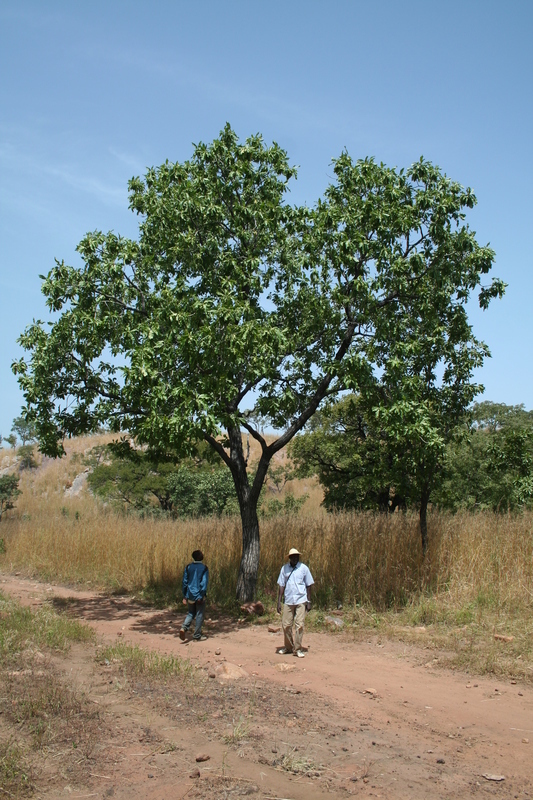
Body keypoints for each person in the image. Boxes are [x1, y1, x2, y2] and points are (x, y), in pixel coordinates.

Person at [276, 547, 314, 658]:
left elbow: (309, 585)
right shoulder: (284, 569)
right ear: (290, 558)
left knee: (299, 624)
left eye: (297, 556)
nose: (295, 558)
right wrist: (279, 601)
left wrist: (309, 601)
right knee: (286, 625)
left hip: (301, 600)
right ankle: (288, 647)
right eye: (293, 557)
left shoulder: (304, 568)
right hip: (288, 600)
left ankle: (297, 649)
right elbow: (281, 585)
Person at [180, 549, 209, 641]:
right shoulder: (204, 568)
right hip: (199, 595)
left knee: (191, 613)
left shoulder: (188, 567)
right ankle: (197, 635)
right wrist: (201, 596)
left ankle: (184, 628)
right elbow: (204, 583)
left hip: (190, 595)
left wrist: (185, 595)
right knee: (199, 614)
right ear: (199, 557)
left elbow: (185, 582)